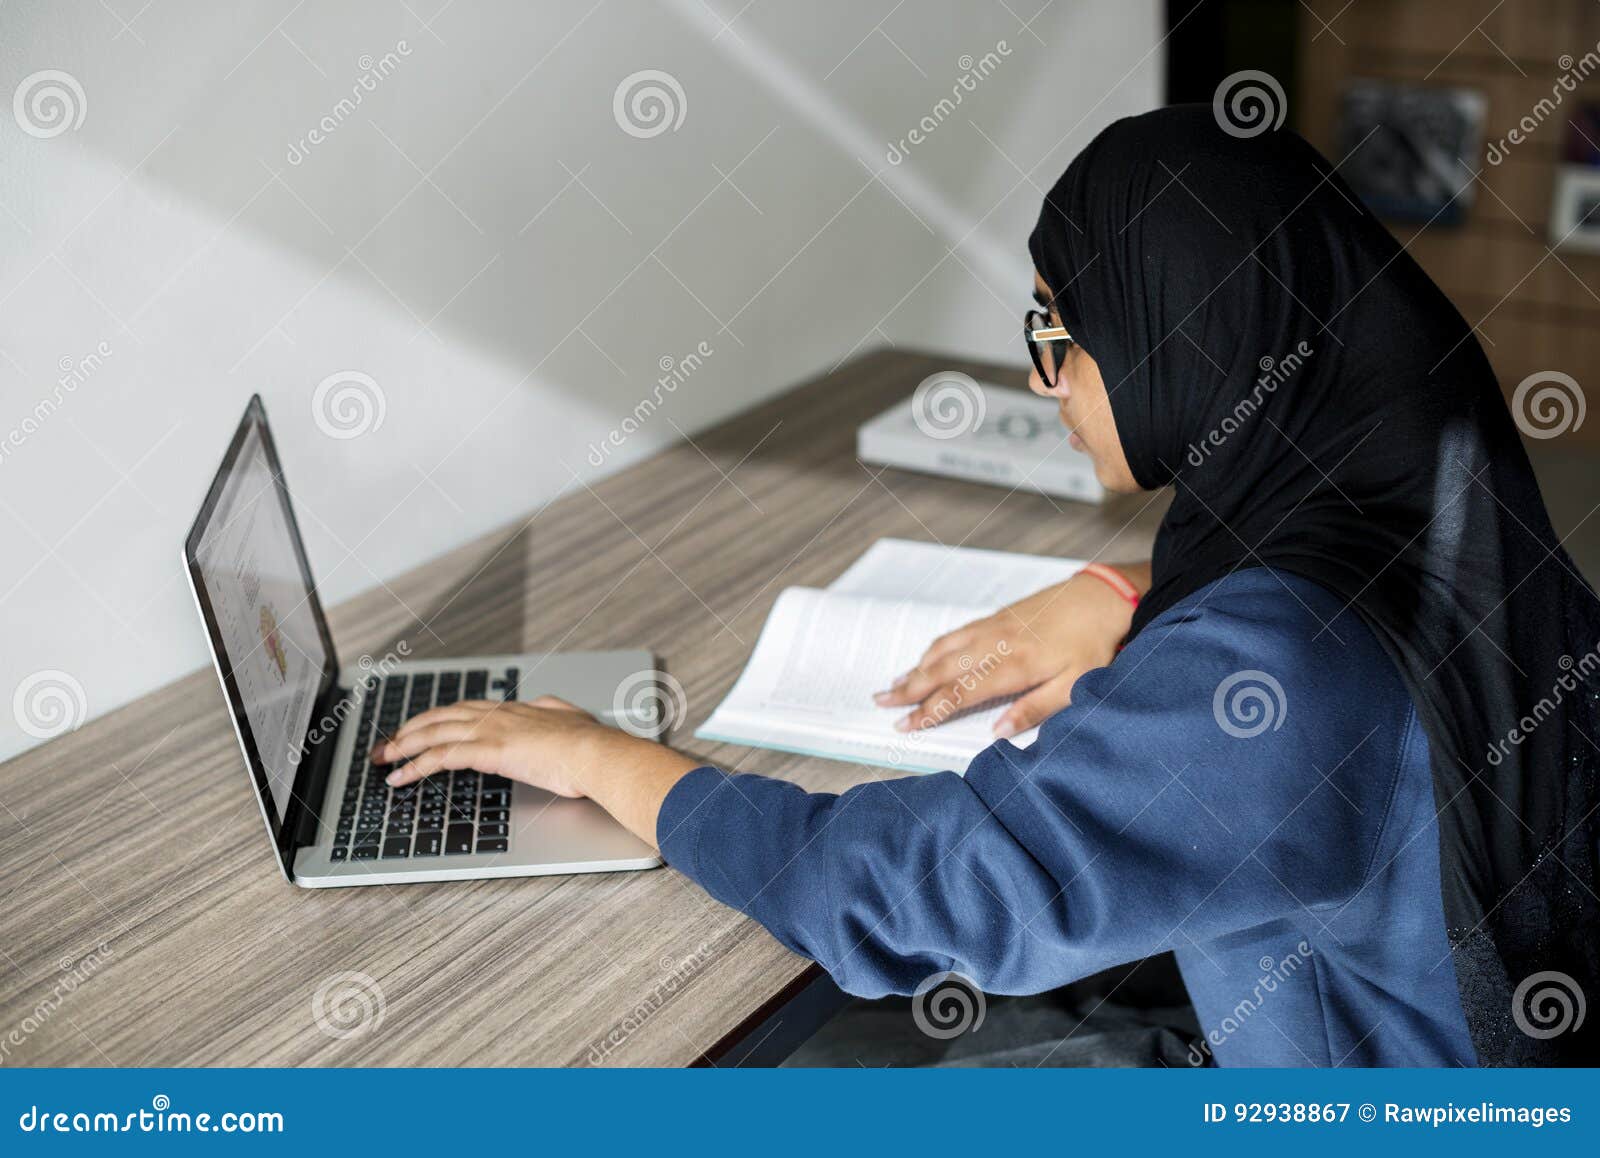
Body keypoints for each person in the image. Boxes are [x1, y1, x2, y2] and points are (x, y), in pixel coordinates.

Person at [373, 106, 1599, 1066]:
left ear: (1185, 332)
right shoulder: (1435, 480)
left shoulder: (1271, 672)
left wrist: (598, 758)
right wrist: (1131, 600)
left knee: (836, 1056)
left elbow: (908, 900)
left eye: (1061, 331)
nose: (1041, 379)